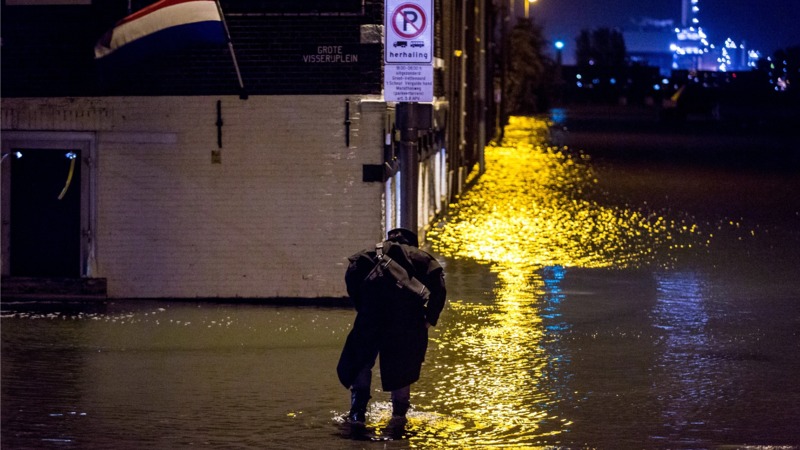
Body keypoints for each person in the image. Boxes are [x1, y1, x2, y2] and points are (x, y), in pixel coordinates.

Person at [337, 228, 446, 426]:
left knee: (361, 360)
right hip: (406, 320)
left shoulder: (368, 254)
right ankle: (398, 416)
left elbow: (352, 276)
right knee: (402, 366)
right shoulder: (421, 258)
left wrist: (363, 307)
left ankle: (357, 413)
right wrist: (429, 319)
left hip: (371, 315)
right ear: (412, 242)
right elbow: (439, 289)